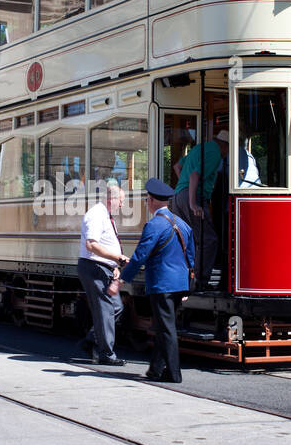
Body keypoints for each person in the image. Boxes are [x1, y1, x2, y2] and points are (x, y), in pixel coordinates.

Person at [120, 178, 194, 384]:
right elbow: (190, 257)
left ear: (151, 201)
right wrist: (188, 285)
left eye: (147, 200)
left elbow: (139, 256)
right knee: (164, 326)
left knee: (166, 328)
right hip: (180, 284)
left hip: (162, 284)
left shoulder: (154, 225)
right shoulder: (183, 225)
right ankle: (155, 369)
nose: (146, 203)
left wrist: (123, 279)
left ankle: (173, 373)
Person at [76, 179, 127, 366]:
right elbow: (92, 245)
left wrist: (113, 265)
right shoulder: (96, 215)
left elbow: (103, 244)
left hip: (102, 267)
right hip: (93, 267)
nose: (122, 204)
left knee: (115, 307)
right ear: (111, 199)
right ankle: (106, 353)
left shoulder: (105, 214)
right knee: (106, 309)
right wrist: (118, 258)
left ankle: (90, 340)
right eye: (120, 200)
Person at [169, 130, 229, 288]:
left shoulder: (200, 148)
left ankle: (185, 279)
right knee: (208, 240)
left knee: (189, 240)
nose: (227, 154)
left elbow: (177, 166)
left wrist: (183, 188)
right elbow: (195, 175)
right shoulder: (215, 152)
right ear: (225, 146)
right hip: (192, 196)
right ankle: (200, 282)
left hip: (178, 196)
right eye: (229, 150)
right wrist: (193, 202)